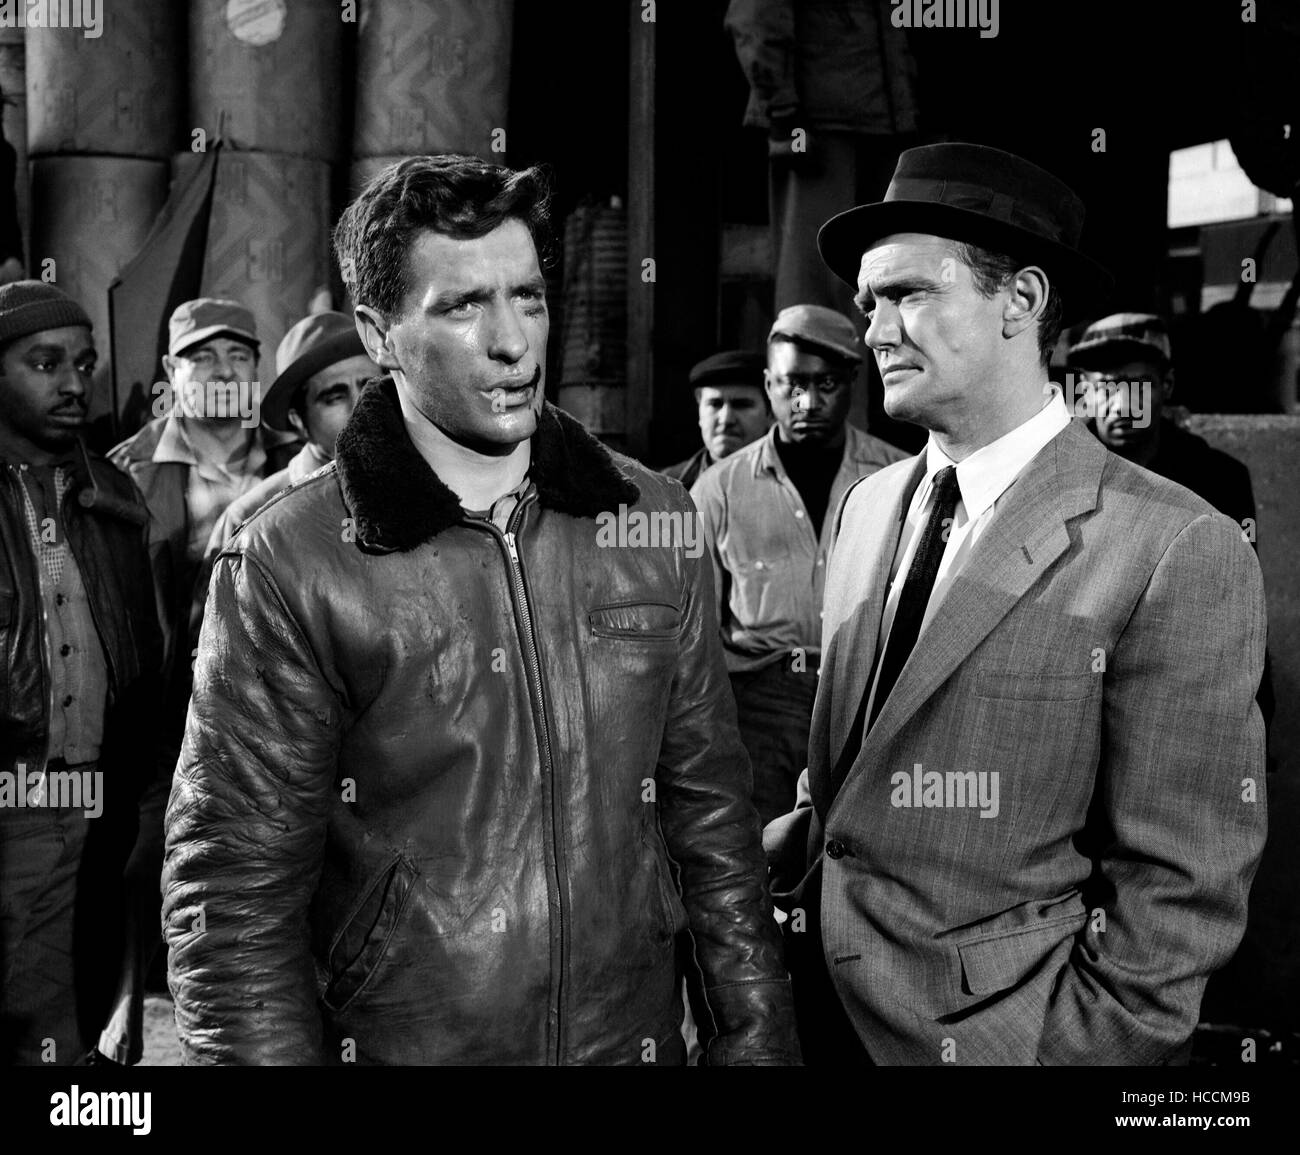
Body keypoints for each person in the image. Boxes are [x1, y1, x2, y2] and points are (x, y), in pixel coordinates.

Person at [161, 154, 800, 1066]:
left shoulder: (652, 518)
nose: (515, 342)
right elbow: (234, 900)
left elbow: (710, 817)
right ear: (379, 334)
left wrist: (755, 1036)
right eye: (463, 306)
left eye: (528, 297)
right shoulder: (288, 560)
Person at [767, 143, 1268, 1065]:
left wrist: (1065, 1049)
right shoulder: (867, 503)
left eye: (910, 293)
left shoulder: (1171, 544)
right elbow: (849, 775)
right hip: (814, 1022)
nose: (875, 329)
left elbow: (1183, 885)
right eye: (869, 300)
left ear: (1022, 302)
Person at [104, 296, 297, 1065]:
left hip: (272, 700)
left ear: (258, 370)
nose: (222, 371)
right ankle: (122, 1014)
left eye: (239, 355)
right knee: (140, 852)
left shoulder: (293, 459)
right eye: (202, 357)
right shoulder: (127, 471)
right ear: (170, 374)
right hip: (160, 705)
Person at [0, 282, 162, 1065]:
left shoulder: (113, 494)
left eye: (86, 364)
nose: (74, 382)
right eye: (45, 362)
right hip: (10, 795)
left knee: (66, 1031)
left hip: (94, 801)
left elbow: (144, 656)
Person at [692, 304, 907, 827]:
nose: (808, 401)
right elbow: (694, 624)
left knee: (854, 850)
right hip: (757, 704)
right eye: (792, 385)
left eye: (826, 383)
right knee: (756, 855)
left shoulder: (899, 476)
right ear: (769, 385)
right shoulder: (718, 490)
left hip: (864, 697)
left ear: (855, 382)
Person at [203, 311, 376, 554]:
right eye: (335, 397)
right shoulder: (249, 520)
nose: (360, 407)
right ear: (298, 420)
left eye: (370, 387)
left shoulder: (429, 485)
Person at [662, 349, 770, 491]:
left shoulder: (795, 486)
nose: (726, 419)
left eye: (741, 405)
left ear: (771, 415)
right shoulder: (665, 487)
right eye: (715, 404)